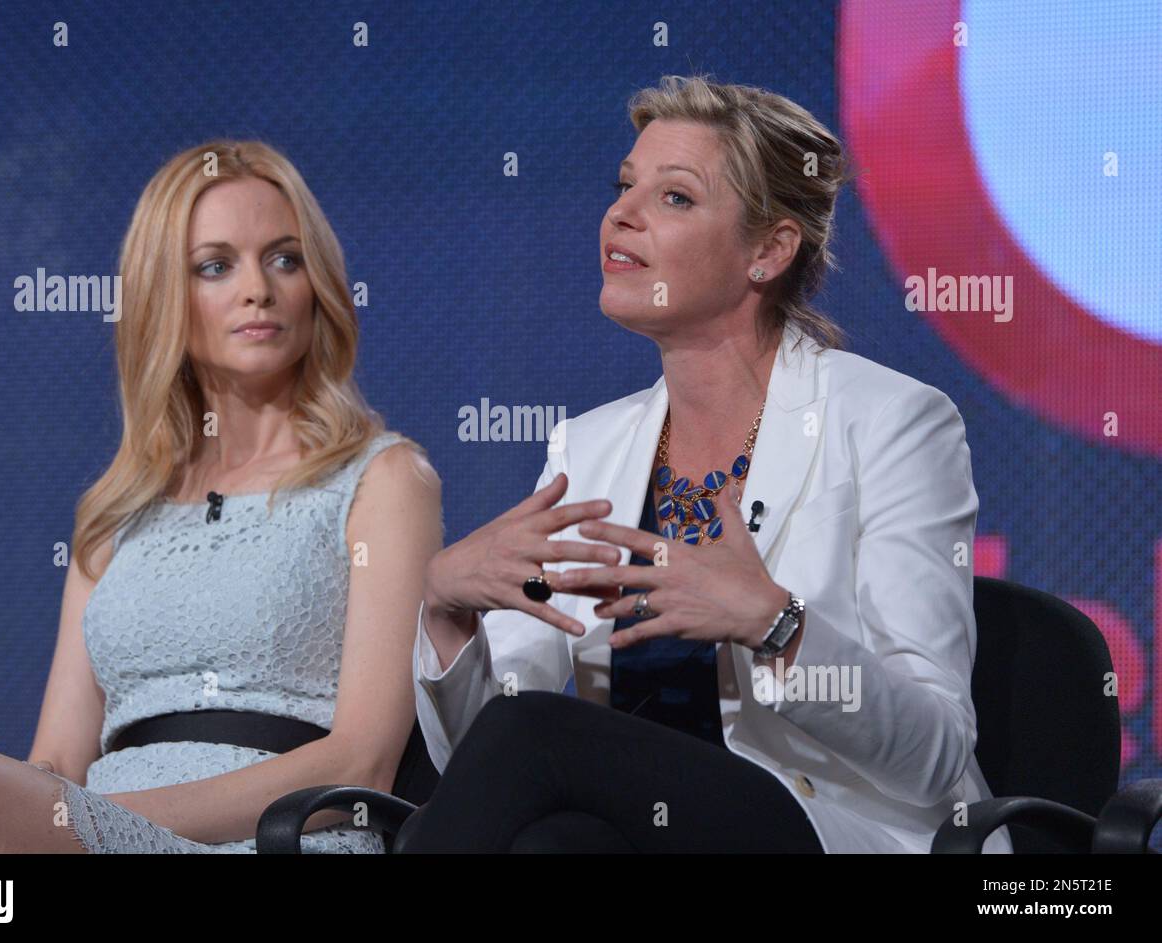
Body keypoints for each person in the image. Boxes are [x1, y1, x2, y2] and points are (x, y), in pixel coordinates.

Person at [407, 76, 1013, 854]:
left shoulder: (892, 422)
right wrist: (447, 614)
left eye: (675, 198)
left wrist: (774, 623)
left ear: (768, 250)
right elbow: (486, 761)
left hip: (827, 830)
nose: (620, 213)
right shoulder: (588, 449)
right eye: (625, 186)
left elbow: (936, 754)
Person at [0, 140, 442, 853]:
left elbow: (361, 763)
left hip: (276, 835)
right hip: (92, 831)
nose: (258, 287)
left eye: (285, 258)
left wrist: (112, 818)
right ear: (165, 294)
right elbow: (56, 764)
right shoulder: (113, 515)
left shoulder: (381, 479)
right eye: (216, 266)